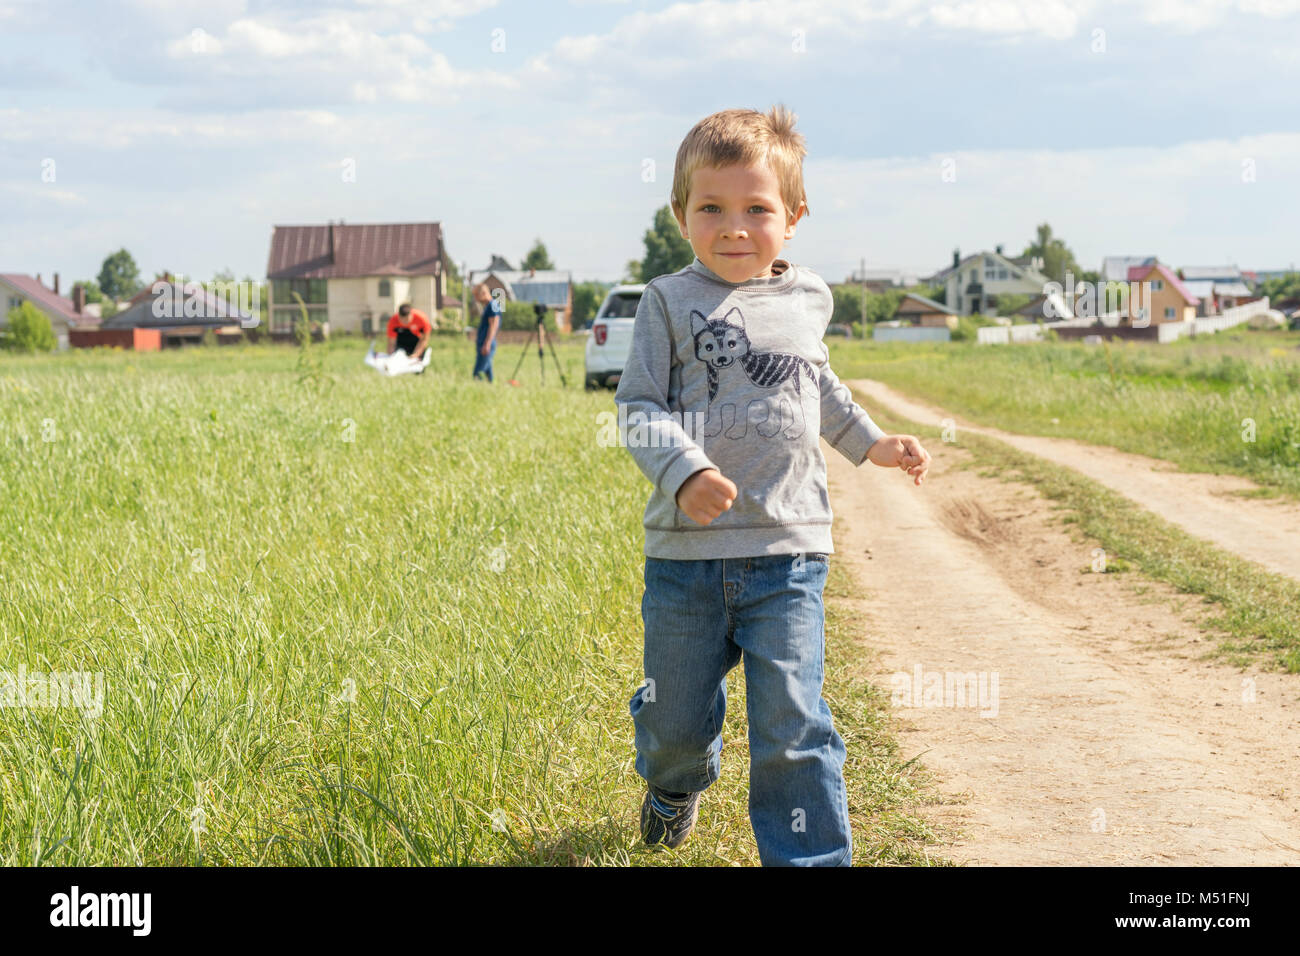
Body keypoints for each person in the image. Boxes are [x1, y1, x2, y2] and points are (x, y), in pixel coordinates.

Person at [613, 105, 931, 866]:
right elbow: (638, 407)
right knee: (677, 727)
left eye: (757, 209)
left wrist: (873, 443)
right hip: (686, 561)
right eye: (711, 209)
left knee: (792, 723)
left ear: (793, 216)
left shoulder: (808, 299)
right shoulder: (665, 301)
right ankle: (671, 783)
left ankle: (810, 856)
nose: (733, 228)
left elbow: (817, 388)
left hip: (790, 555)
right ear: (680, 215)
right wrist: (684, 470)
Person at [472, 282, 501, 382]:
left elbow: (493, 325)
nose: (475, 298)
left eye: (476, 295)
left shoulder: (493, 305)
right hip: (484, 342)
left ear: (483, 293)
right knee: (488, 371)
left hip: (486, 343)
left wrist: (487, 344)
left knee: (478, 373)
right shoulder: (488, 306)